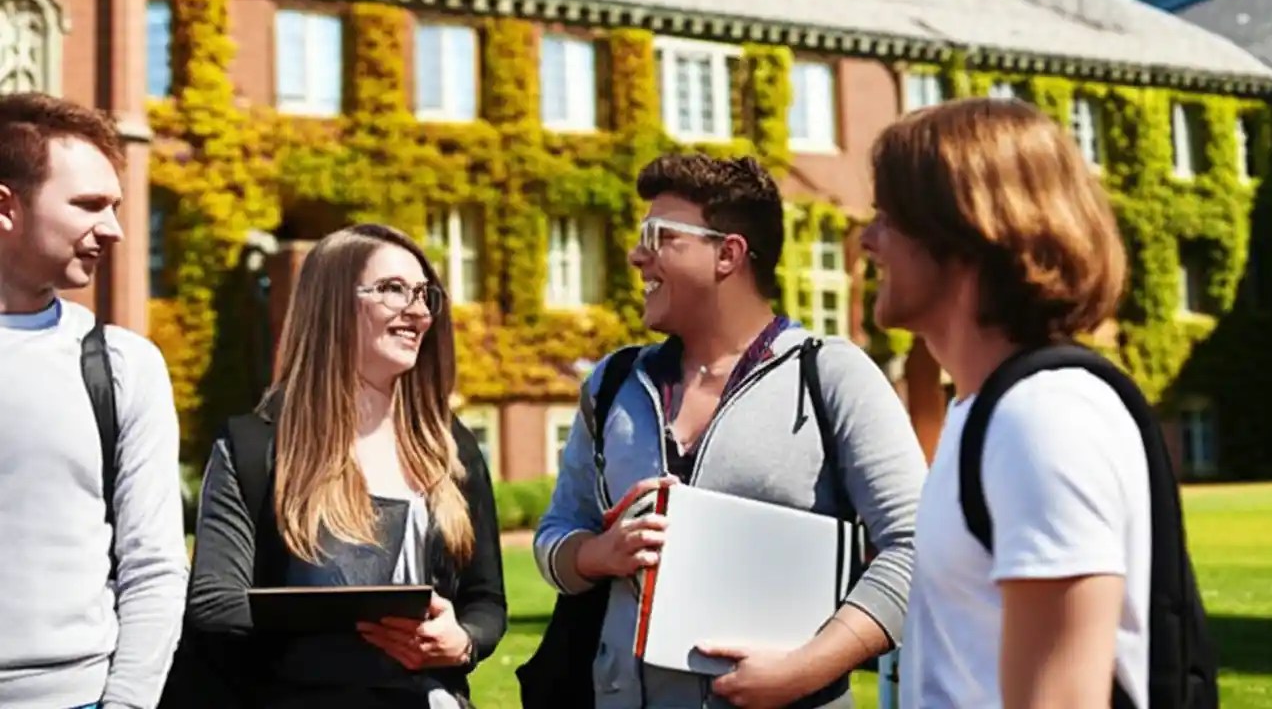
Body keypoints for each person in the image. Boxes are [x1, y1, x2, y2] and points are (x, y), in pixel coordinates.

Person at [533, 153, 928, 708]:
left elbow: (915, 547)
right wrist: (597, 554)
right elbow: (556, 532)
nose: (636, 255)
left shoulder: (831, 375)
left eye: (659, 236)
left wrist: (801, 672)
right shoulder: (611, 383)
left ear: (728, 254)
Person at [863, 98, 1152, 708]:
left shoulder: (1042, 418)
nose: (867, 241)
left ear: (963, 232)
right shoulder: (984, 411)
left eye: (887, 218)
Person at [178, 223, 506, 708]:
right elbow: (214, 604)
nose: (418, 312)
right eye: (393, 290)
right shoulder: (255, 447)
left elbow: (485, 600)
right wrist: (368, 616)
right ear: (332, 305)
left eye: (423, 294)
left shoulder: (449, 446)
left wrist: (465, 641)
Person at [0, 92, 188, 709]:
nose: (113, 230)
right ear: (5, 207)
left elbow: (154, 566)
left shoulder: (121, 366)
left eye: (115, 207)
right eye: (88, 205)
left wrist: (127, 703)